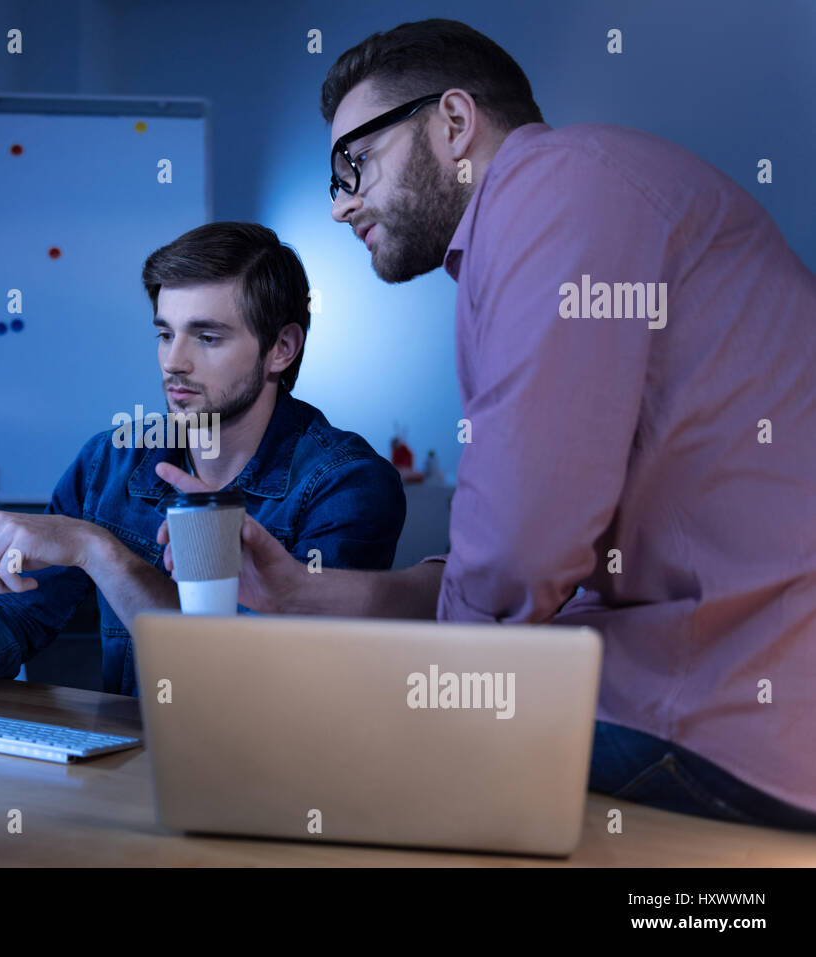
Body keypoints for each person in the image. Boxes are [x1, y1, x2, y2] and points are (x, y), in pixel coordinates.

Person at [158, 20, 816, 828]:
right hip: (721, 689)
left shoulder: (553, 190)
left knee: (272, 745)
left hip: (733, 717)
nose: (340, 203)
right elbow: (506, 568)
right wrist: (301, 591)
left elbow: (517, 549)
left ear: (455, 122)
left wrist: (437, 703)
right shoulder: (575, 198)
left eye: (355, 162)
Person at [0, 222, 405, 696]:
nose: (174, 361)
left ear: (281, 349)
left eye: (207, 337)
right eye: (165, 334)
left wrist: (98, 550)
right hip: (131, 748)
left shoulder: (347, 485)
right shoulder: (109, 461)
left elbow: (263, 679)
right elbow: (18, 612)